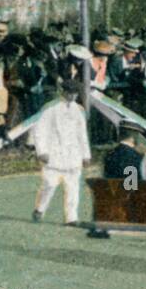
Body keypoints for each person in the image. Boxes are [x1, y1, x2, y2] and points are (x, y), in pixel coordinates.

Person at [31, 79, 91, 226]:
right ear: (62, 91)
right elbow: (40, 130)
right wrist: (42, 151)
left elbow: (82, 133)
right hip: (54, 152)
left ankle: (71, 217)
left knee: (73, 187)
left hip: (73, 153)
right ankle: (40, 208)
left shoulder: (79, 110)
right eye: (69, 92)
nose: (72, 96)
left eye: (75, 93)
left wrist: (86, 154)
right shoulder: (50, 108)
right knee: (49, 184)